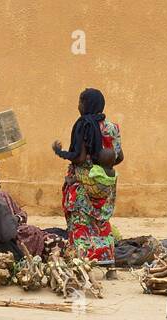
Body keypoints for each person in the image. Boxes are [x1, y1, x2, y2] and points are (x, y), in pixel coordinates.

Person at [54, 88, 122, 274]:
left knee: (80, 224)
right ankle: (110, 267)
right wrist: (103, 164)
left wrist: (60, 152)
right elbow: (119, 156)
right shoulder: (112, 128)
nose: (78, 106)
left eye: (80, 102)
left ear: (87, 104)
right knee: (101, 224)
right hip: (104, 186)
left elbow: (80, 158)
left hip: (82, 185)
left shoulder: (84, 125)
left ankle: (80, 263)